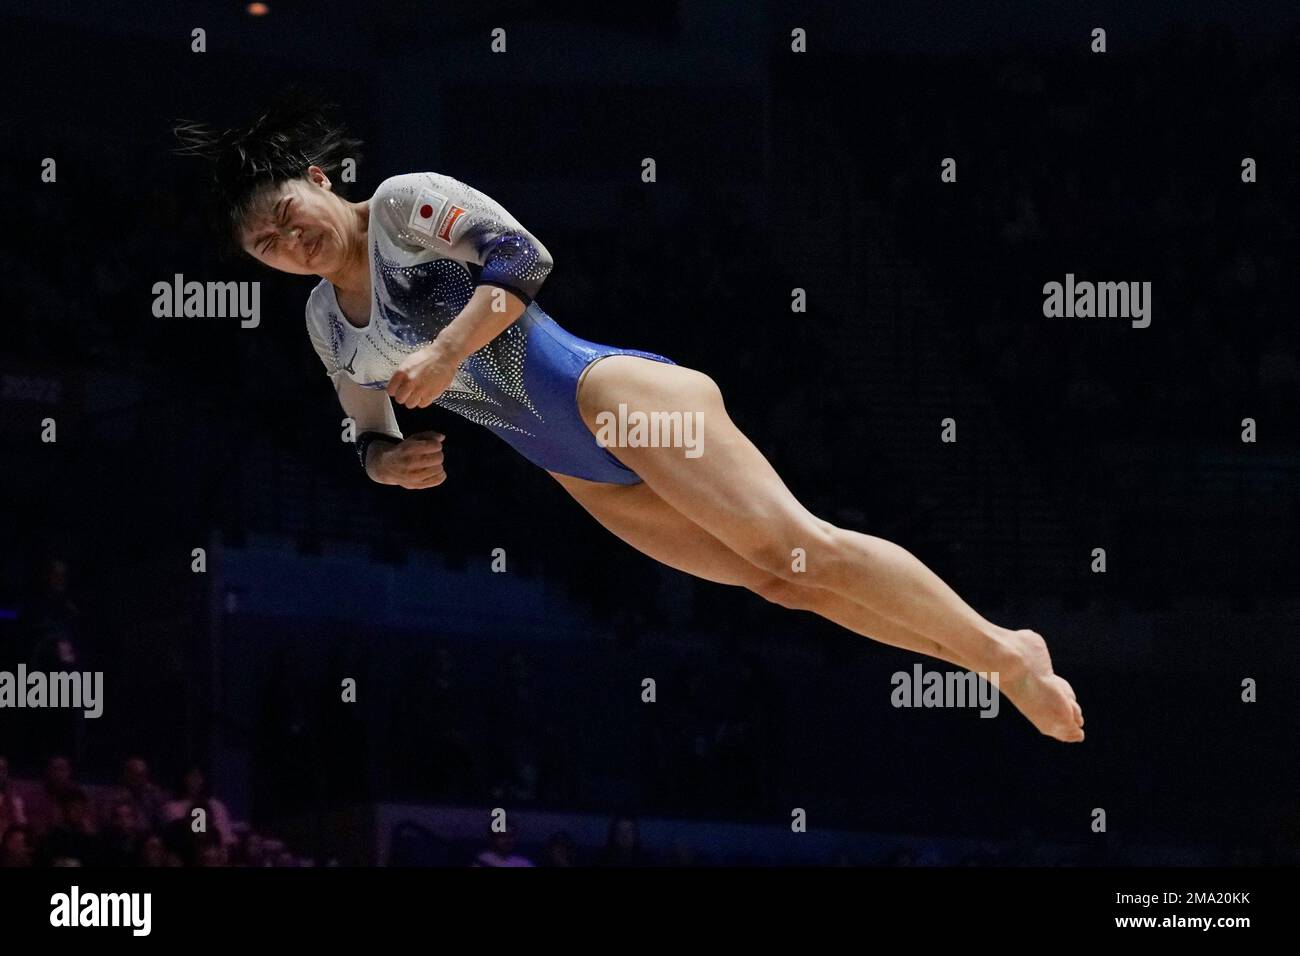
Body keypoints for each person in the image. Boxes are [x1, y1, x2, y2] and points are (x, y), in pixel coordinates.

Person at [173, 92, 1083, 743]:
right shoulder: (326, 323)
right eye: (268, 247)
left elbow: (524, 257)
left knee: (794, 544)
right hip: (577, 471)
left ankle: (1005, 653)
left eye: (290, 215)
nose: (293, 243)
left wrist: (447, 353)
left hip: (611, 397)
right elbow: (367, 426)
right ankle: (992, 659)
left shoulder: (406, 207)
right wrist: (385, 464)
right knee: (781, 584)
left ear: (319, 179)